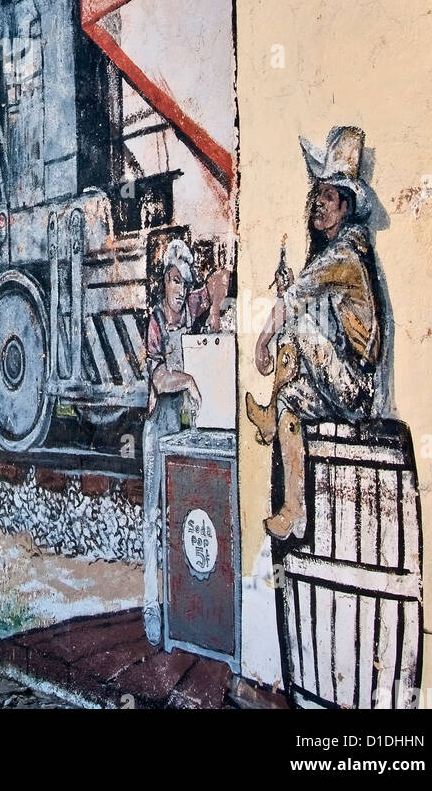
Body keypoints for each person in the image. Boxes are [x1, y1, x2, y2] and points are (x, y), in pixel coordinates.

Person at [245, 126, 383, 542]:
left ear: (345, 206)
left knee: (295, 326)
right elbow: (315, 301)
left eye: (327, 197)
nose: (317, 204)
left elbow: (298, 302)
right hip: (339, 381)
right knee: (291, 403)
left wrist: (262, 340)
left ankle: (269, 412)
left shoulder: (343, 254)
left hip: (356, 389)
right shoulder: (334, 254)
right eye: (317, 194)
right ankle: (294, 511)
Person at [141, 238, 228, 645]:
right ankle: (150, 604)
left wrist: (214, 305)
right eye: (175, 281)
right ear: (164, 280)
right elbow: (159, 378)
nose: (180, 290)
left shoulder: (191, 307)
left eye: (185, 283)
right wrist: (188, 379)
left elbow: (218, 283)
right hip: (160, 429)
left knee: (185, 518)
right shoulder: (155, 321)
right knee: (154, 518)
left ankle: (183, 608)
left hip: (187, 430)